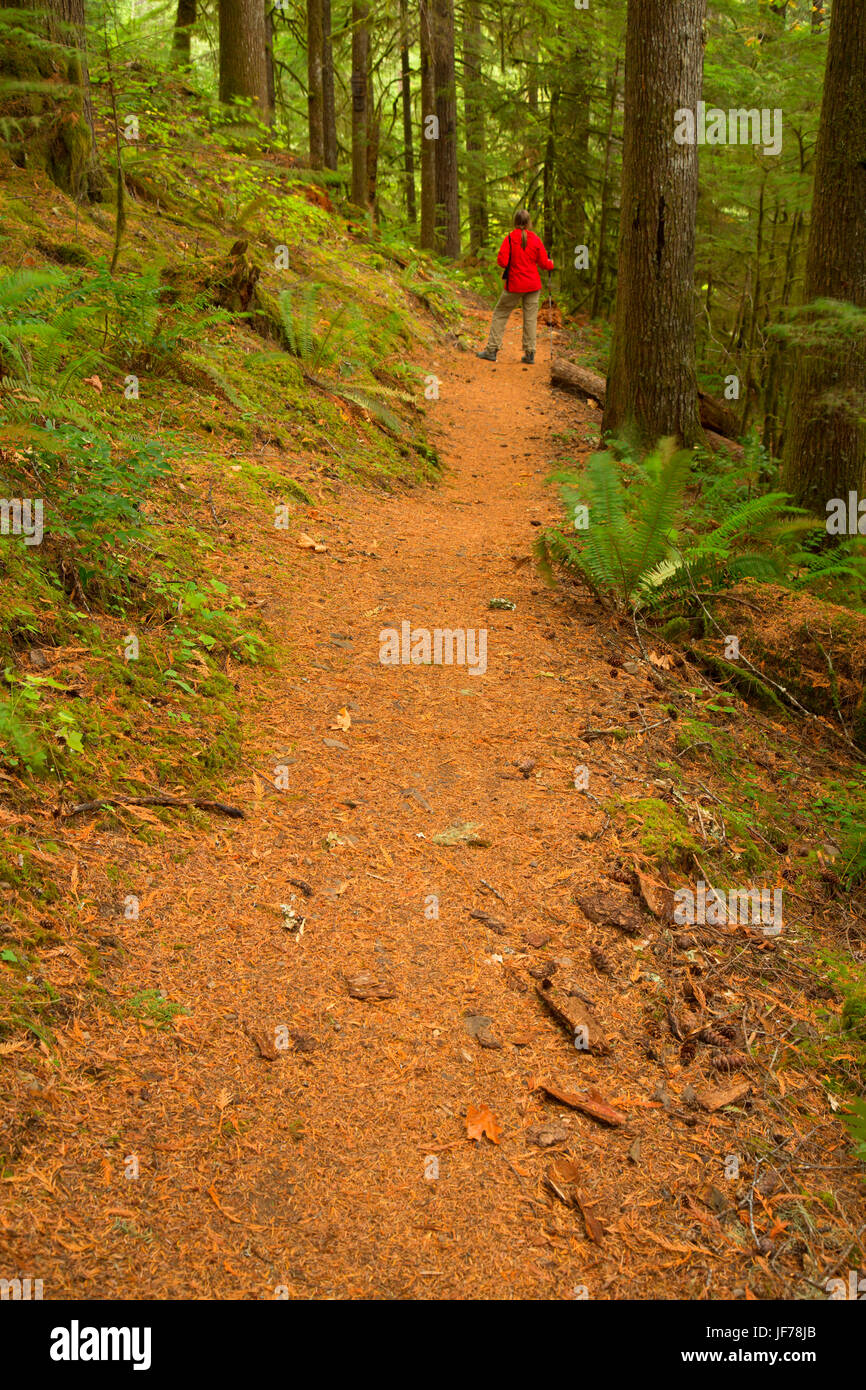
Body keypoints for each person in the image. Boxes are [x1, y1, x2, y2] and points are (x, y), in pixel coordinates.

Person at [476, 210, 554, 365]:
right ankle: (530, 353)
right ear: (529, 222)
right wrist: (552, 263)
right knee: (530, 319)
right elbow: (545, 264)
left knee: (500, 313)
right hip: (533, 285)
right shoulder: (536, 240)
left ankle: (491, 350)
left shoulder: (510, 238)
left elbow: (502, 262)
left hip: (514, 284)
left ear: (515, 221)